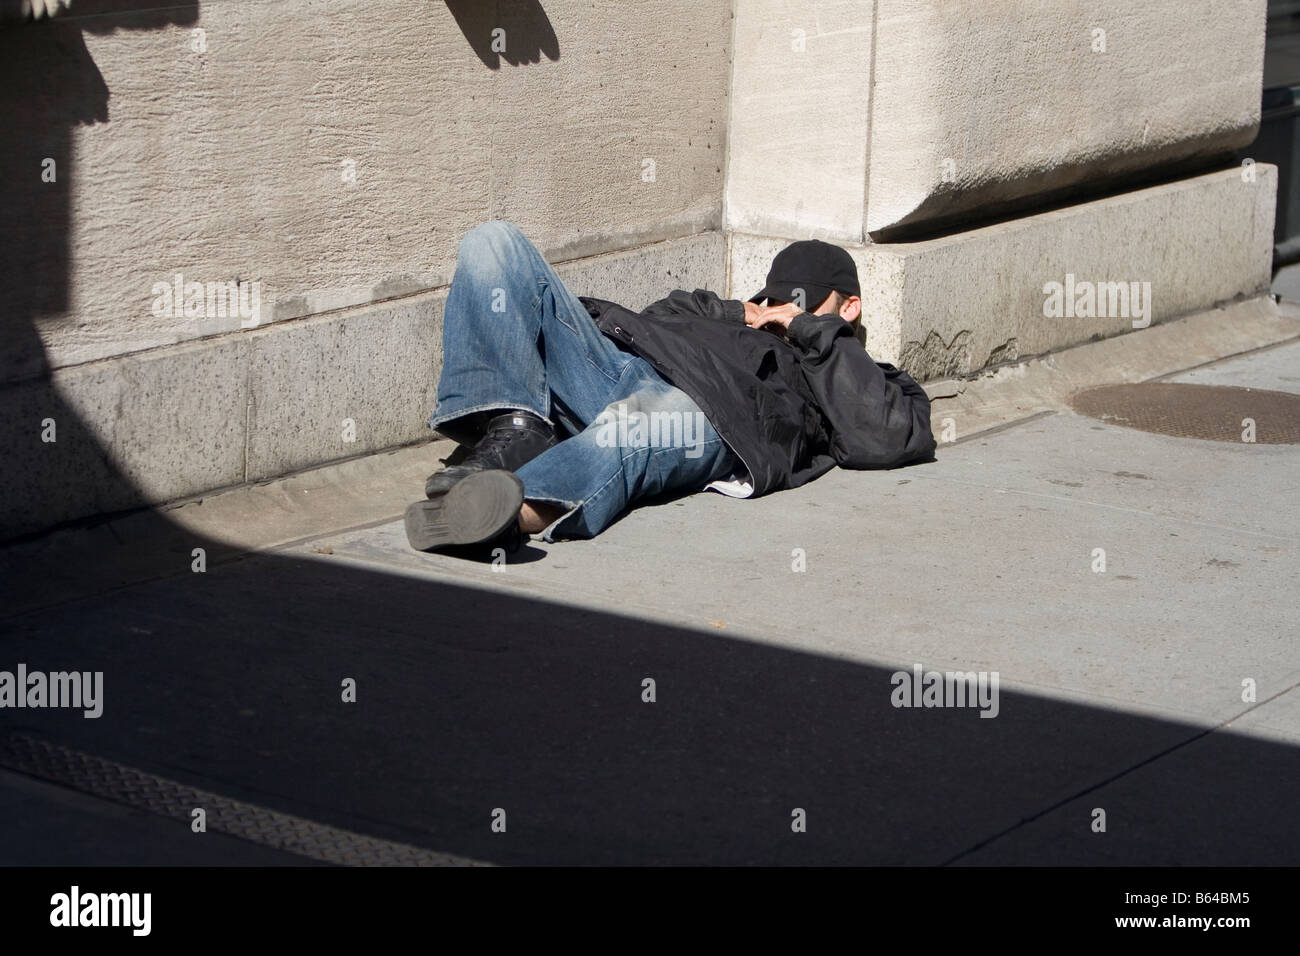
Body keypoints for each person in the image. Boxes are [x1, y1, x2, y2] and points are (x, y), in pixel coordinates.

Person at [404, 220, 936, 555]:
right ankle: (516, 430)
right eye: (776, 299)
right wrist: (738, 311)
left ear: (849, 308)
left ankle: (507, 514)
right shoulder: (737, 317)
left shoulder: (856, 368)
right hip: (622, 366)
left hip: (715, 412)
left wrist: (807, 329)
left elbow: (884, 435)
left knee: (632, 427)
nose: (782, 310)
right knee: (494, 243)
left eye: (803, 302)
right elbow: (655, 319)